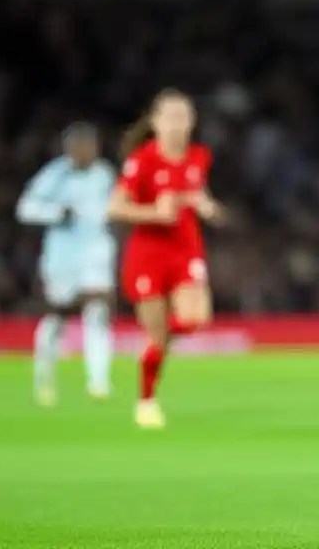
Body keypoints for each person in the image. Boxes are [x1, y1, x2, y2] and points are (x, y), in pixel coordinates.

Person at [108, 89, 224, 430]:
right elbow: (115, 207)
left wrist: (208, 208)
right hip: (148, 255)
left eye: (183, 116)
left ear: (192, 122)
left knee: (197, 317)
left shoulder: (199, 157)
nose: (176, 124)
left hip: (186, 249)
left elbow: (200, 196)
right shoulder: (142, 161)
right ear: (155, 122)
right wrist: (154, 214)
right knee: (159, 338)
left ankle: (152, 349)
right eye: (170, 116)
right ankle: (146, 400)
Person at [16, 122, 118, 407]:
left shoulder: (105, 175)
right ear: (69, 149)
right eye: (80, 146)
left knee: (98, 311)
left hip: (96, 255)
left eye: (91, 145)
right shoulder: (55, 174)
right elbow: (24, 208)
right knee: (56, 318)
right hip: (62, 258)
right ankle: (44, 380)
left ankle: (99, 382)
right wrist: (56, 213)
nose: (86, 151)